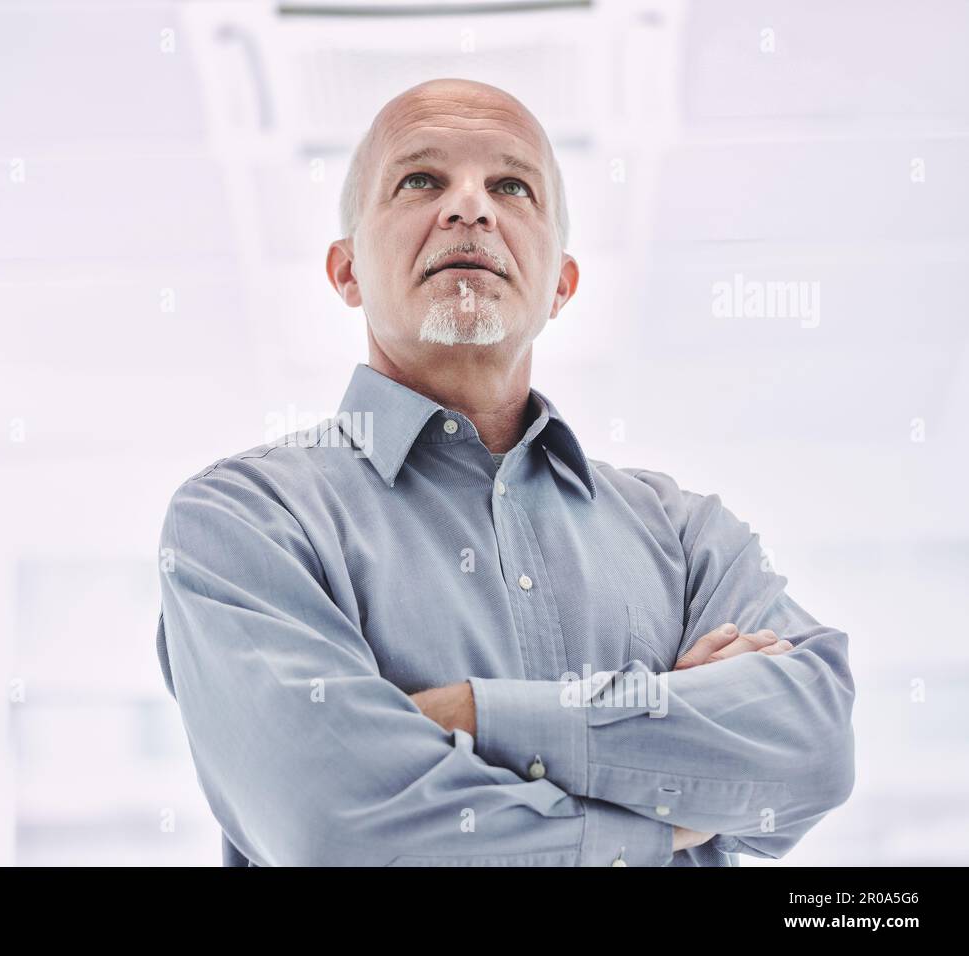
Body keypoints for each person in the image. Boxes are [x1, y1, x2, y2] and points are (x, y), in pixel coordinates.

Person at [155, 78, 855, 867]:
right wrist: (664, 819)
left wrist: (471, 716)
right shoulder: (244, 521)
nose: (470, 207)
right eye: (421, 179)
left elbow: (811, 748)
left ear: (561, 285)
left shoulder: (687, 536)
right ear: (346, 271)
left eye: (512, 186)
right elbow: (335, 828)